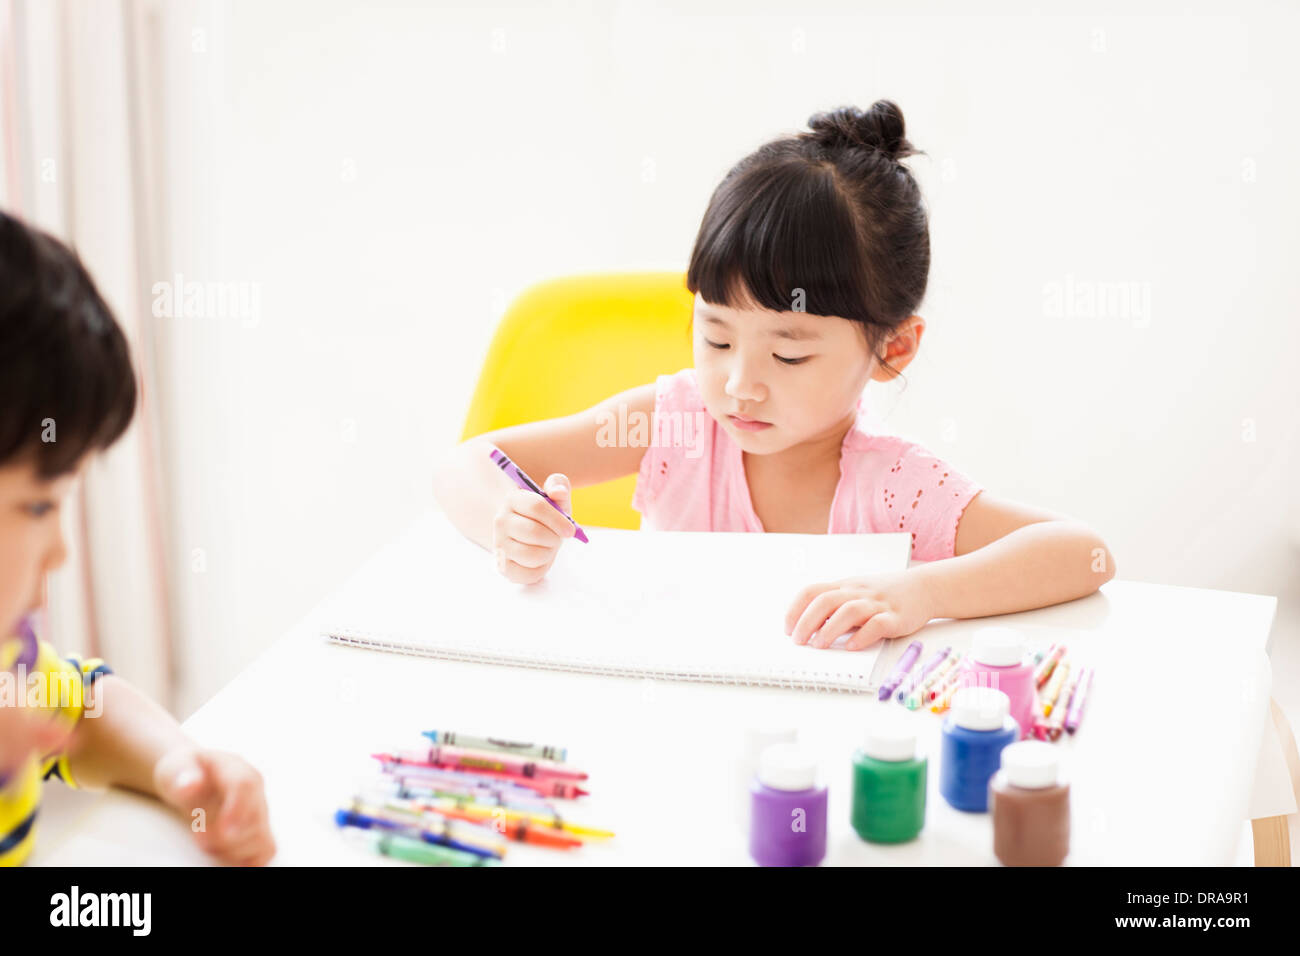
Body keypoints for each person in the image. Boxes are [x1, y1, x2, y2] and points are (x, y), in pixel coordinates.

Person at [432, 101, 1115, 651]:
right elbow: (467, 464)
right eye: (716, 337)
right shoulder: (675, 424)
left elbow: (1083, 553)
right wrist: (506, 520)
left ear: (894, 348)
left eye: (788, 356)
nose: (739, 385)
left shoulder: (894, 485)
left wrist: (921, 593)